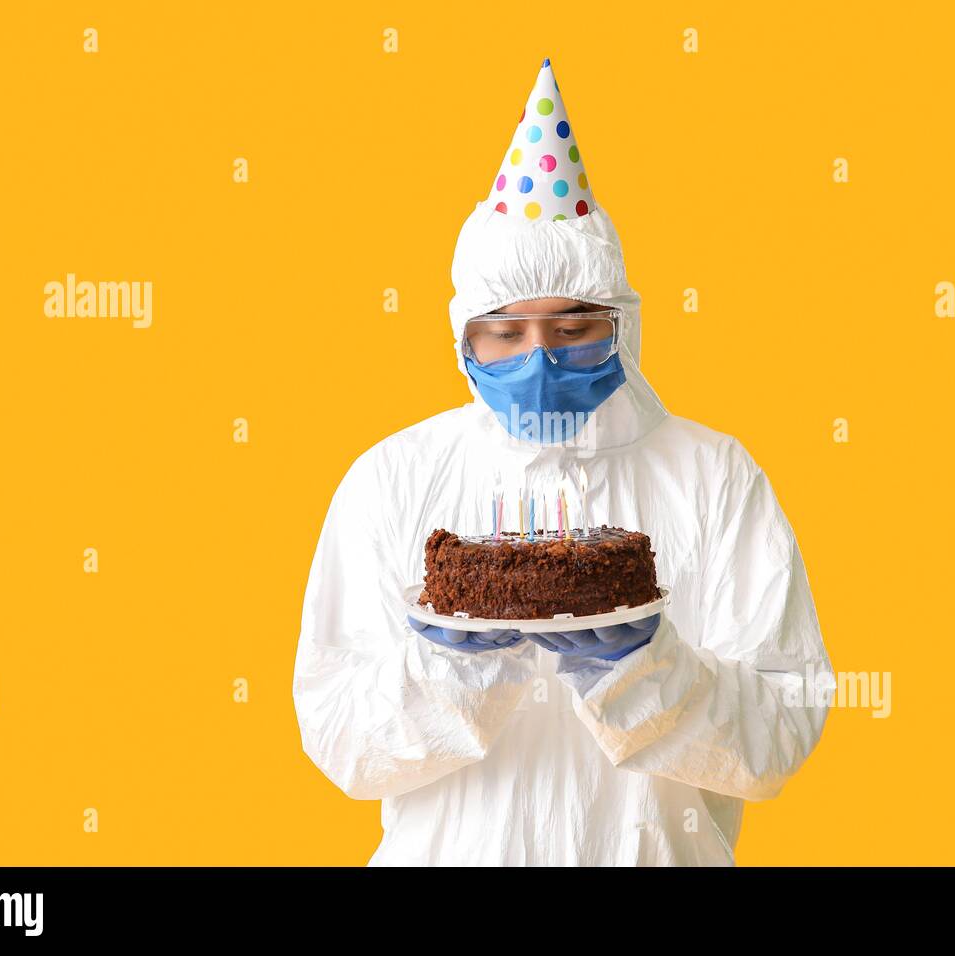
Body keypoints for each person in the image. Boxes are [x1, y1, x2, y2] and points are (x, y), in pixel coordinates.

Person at [292, 57, 835, 866]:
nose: (538, 358)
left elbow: (778, 737)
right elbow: (342, 742)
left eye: (572, 330)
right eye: (505, 334)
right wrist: (448, 665)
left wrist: (645, 666)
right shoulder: (394, 477)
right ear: (463, 340)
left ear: (621, 325)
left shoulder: (715, 476)